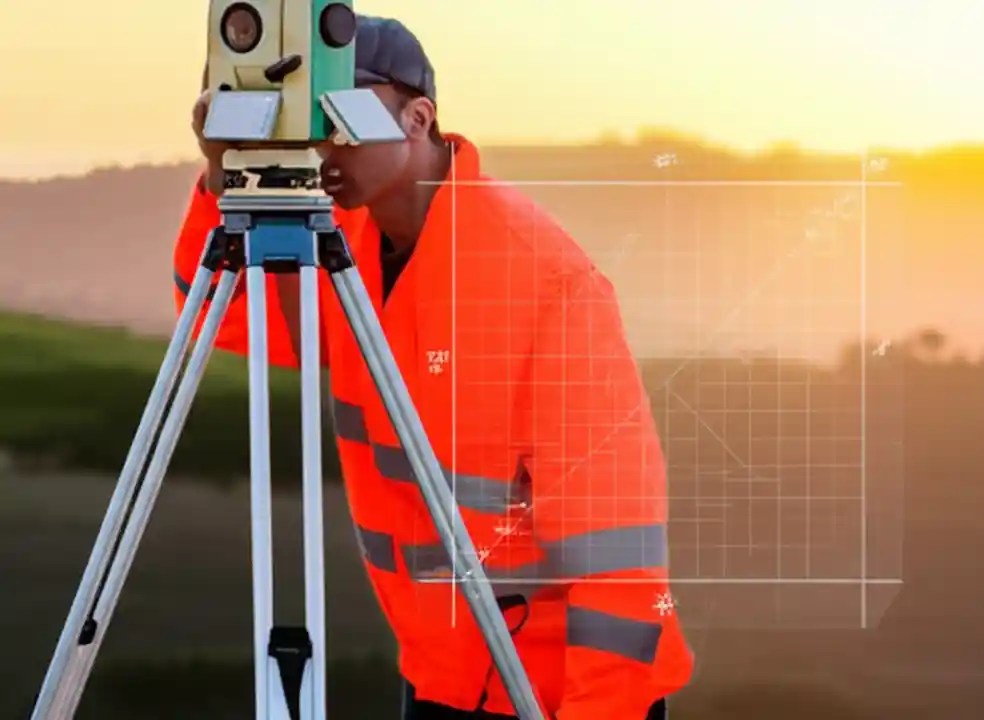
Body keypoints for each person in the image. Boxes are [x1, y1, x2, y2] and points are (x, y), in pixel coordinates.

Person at [174, 15, 694, 720]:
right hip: (439, 675)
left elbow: (616, 552)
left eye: (343, 113)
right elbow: (227, 323)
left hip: (547, 692)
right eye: (310, 118)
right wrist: (221, 173)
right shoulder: (341, 244)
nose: (326, 144)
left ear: (418, 117)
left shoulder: (545, 283)